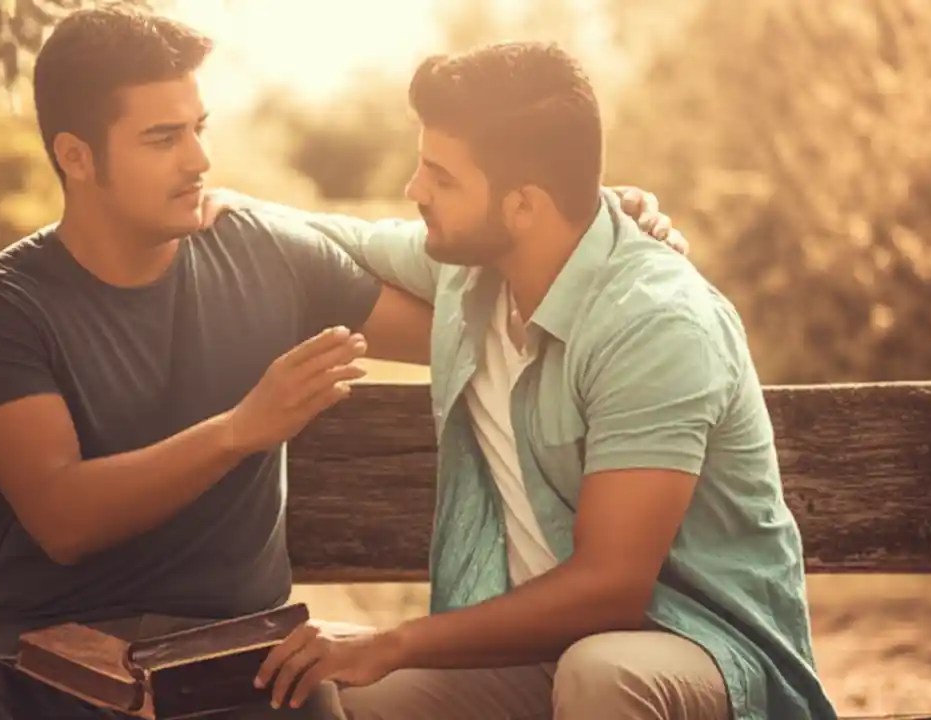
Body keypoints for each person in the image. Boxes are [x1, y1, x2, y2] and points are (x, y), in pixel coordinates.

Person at [0, 8, 679, 720]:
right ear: (76, 157)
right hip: (48, 656)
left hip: (238, 657)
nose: (198, 158)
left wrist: (587, 229)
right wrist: (240, 430)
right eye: (162, 138)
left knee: (305, 698)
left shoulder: (263, 254)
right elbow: (64, 517)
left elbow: (484, 321)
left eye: (199, 126)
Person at [239, 42, 838, 720]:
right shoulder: (472, 273)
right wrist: (216, 206)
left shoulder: (654, 323)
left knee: (603, 673)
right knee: (349, 698)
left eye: (441, 176)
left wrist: (392, 641)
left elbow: (611, 588)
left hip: (703, 653)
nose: (415, 190)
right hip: (543, 654)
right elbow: (338, 240)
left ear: (523, 205)